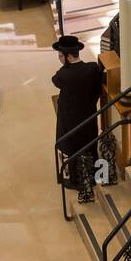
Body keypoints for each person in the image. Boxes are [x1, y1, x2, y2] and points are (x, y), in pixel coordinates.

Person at [52, 36, 103, 196]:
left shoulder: (62, 75)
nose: (59, 59)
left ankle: (76, 180)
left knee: (73, 149)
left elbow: (55, 81)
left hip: (71, 120)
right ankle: (96, 174)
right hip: (89, 115)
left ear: (68, 57)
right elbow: (97, 89)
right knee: (91, 144)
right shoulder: (92, 68)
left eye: (61, 56)